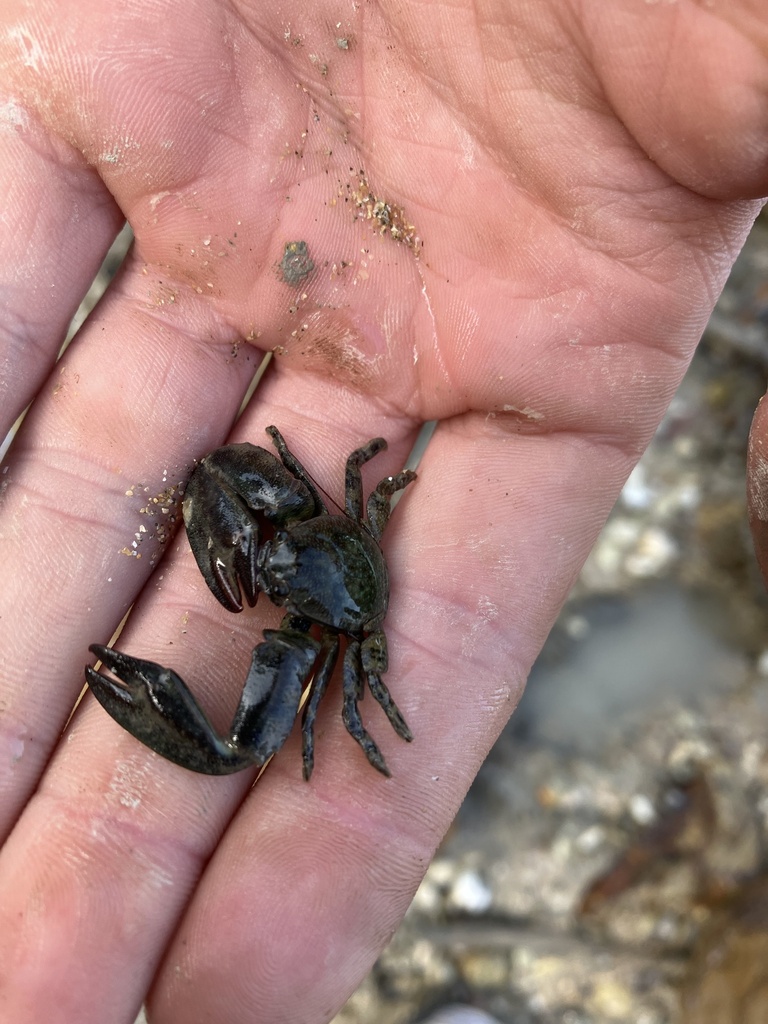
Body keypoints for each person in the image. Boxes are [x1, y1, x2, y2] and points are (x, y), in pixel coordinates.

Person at [0, 2, 765, 1020]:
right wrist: (245, 540)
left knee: (246, 749)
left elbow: (294, 728)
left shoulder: (330, 634)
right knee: (224, 484)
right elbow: (236, 473)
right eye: (262, 569)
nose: (258, 580)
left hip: (347, 607)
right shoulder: (307, 519)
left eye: (265, 576)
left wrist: (332, 695)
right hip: (335, 555)